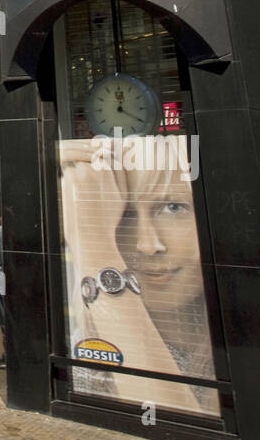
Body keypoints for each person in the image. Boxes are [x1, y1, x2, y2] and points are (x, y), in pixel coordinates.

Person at [59, 138, 216, 414]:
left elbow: (184, 432)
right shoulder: (80, 352)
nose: (148, 245)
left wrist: (96, 250)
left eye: (173, 208)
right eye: (125, 214)